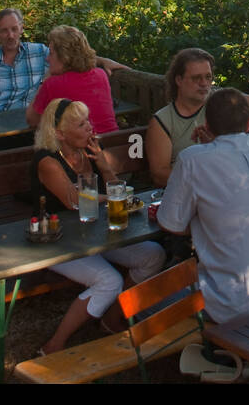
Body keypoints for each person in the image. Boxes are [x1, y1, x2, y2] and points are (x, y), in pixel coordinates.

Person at [158, 88, 249, 325]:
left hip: (233, 306)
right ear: (248, 124)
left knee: (140, 307)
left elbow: (171, 224)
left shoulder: (191, 159)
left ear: (207, 123)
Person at [31, 98, 166, 354]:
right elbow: (73, 200)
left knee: (153, 255)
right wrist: (114, 196)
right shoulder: (47, 161)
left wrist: (104, 165)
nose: (90, 128)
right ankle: (53, 345)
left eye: (88, 121)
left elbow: (117, 188)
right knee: (109, 279)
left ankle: (112, 317)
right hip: (57, 240)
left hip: (95, 234)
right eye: (82, 124)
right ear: (59, 133)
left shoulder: (90, 151)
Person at [146, 48, 249, 187]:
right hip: (186, 196)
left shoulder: (222, 102)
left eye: (208, 77)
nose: (204, 83)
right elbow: (160, 176)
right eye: (196, 78)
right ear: (179, 80)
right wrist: (208, 179)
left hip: (232, 188)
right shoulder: (163, 121)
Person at [0, 8, 124, 115]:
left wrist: (102, 60)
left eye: (14, 29)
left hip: (27, 122)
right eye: (4, 31)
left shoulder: (39, 52)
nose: (10, 36)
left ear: (21, 29)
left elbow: (71, 55)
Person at [29, 25, 121, 134]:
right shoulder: (100, 74)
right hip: (113, 142)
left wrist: (43, 80)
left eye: (51, 53)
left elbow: (32, 120)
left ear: (64, 57)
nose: (47, 58)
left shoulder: (53, 84)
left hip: (82, 148)